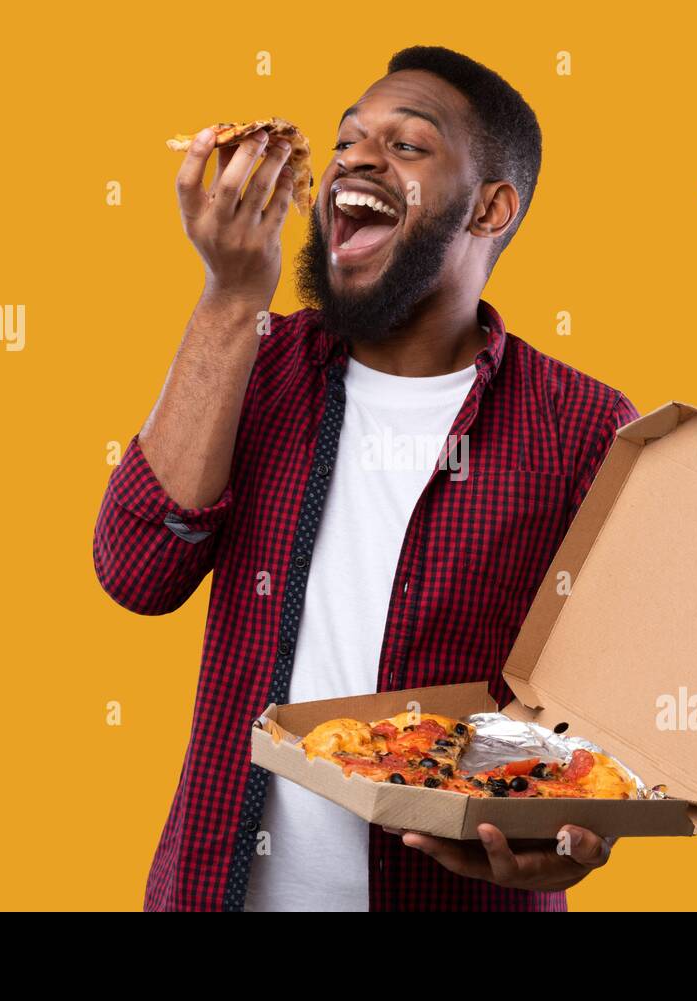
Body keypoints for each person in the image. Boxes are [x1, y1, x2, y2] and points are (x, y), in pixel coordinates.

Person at [93, 45, 637, 911]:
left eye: (408, 145)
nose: (354, 157)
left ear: (491, 206)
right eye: (347, 139)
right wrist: (232, 296)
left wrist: (580, 835)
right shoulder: (257, 361)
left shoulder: (583, 425)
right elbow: (136, 571)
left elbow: (614, 709)